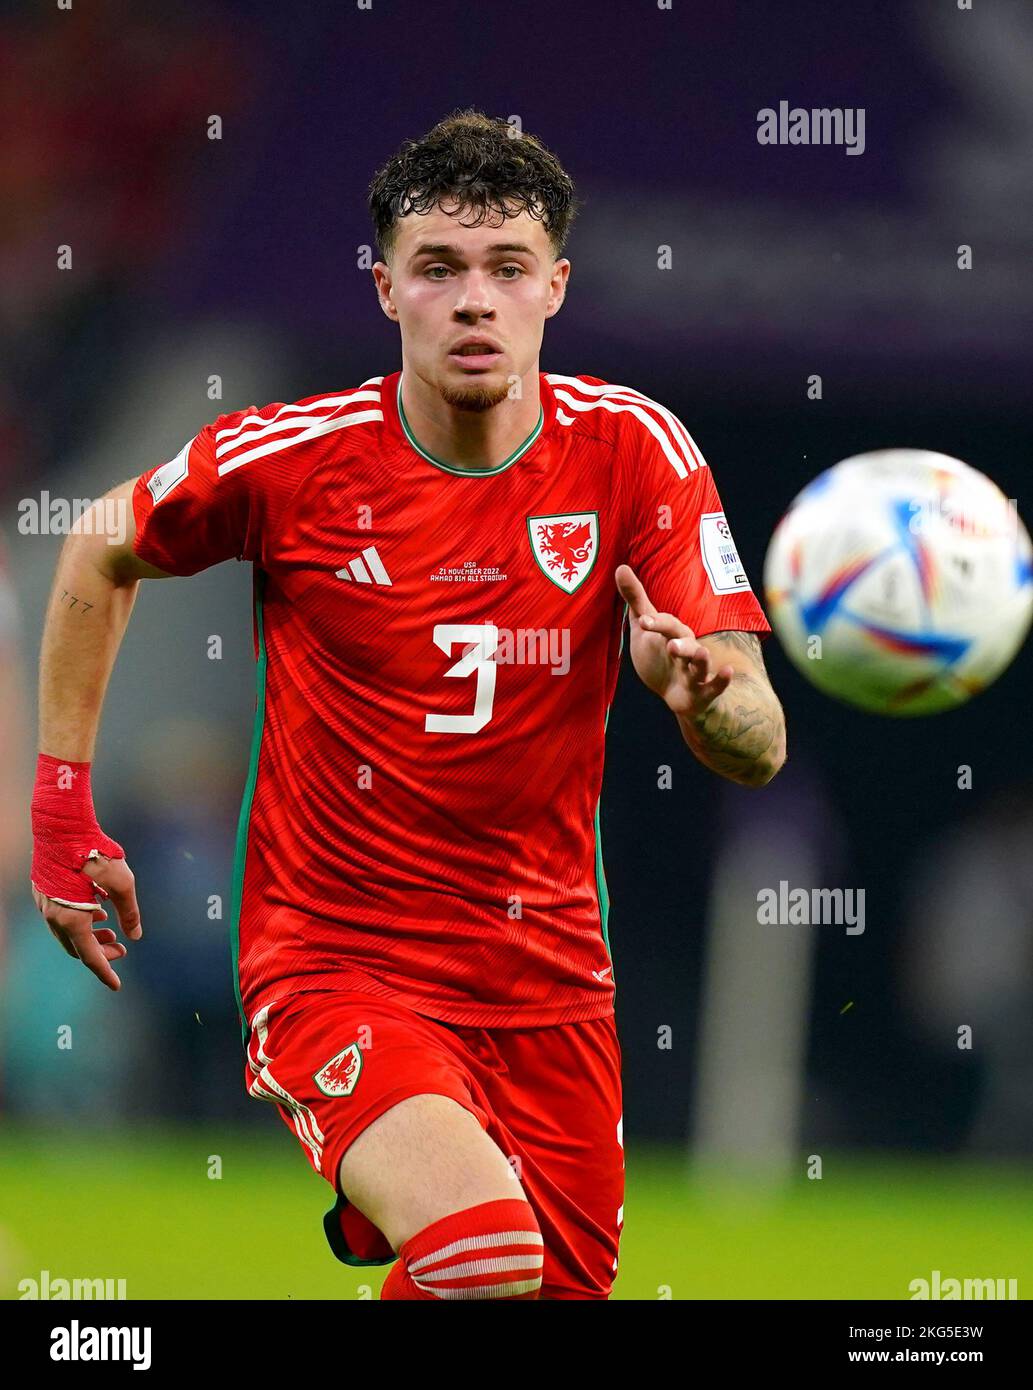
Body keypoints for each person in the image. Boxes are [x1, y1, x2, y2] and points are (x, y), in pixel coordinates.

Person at [30, 109, 786, 1300]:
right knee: (482, 1250)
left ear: (555, 288)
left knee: (539, 1288)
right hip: (337, 964)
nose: (473, 300)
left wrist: (700, 695)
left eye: (505, 270)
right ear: (387, 290)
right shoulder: (297, 461)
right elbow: (95, 543)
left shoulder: (635, 451)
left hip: (551, 988)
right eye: (437, 269)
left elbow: (758, 739)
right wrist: (63, 816)